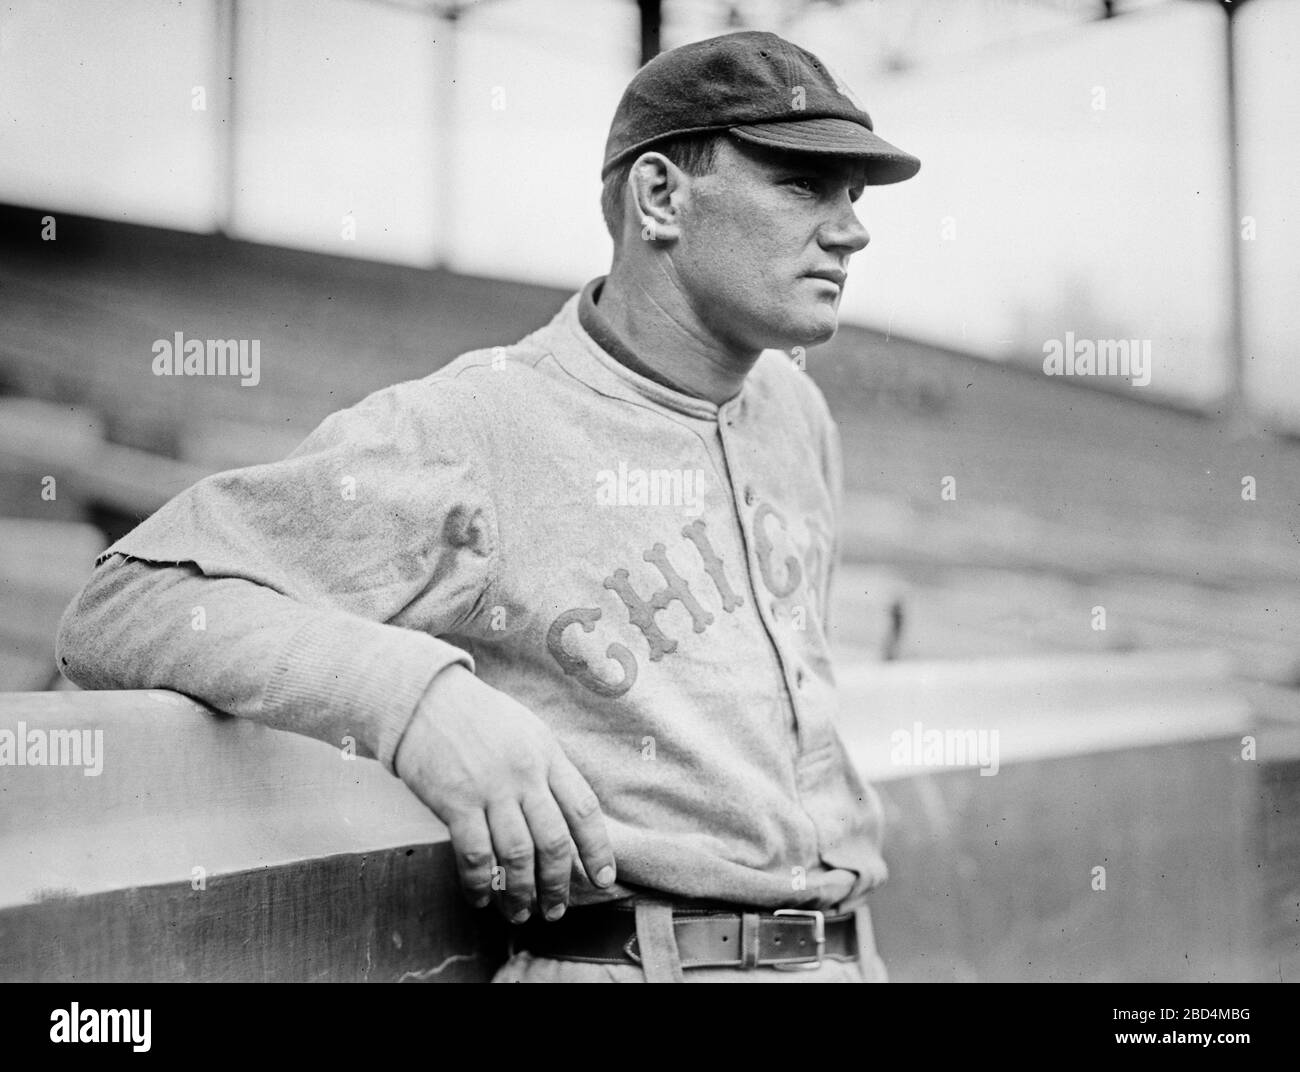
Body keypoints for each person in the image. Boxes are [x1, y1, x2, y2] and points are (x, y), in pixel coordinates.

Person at [56, 30, 920, 982]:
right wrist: (420, 701)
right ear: (661, 198)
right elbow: (128, 600)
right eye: (805, 185)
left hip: (846, 953)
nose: (852, 228)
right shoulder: (479, 429)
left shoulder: (797, 414)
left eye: (855, 194)